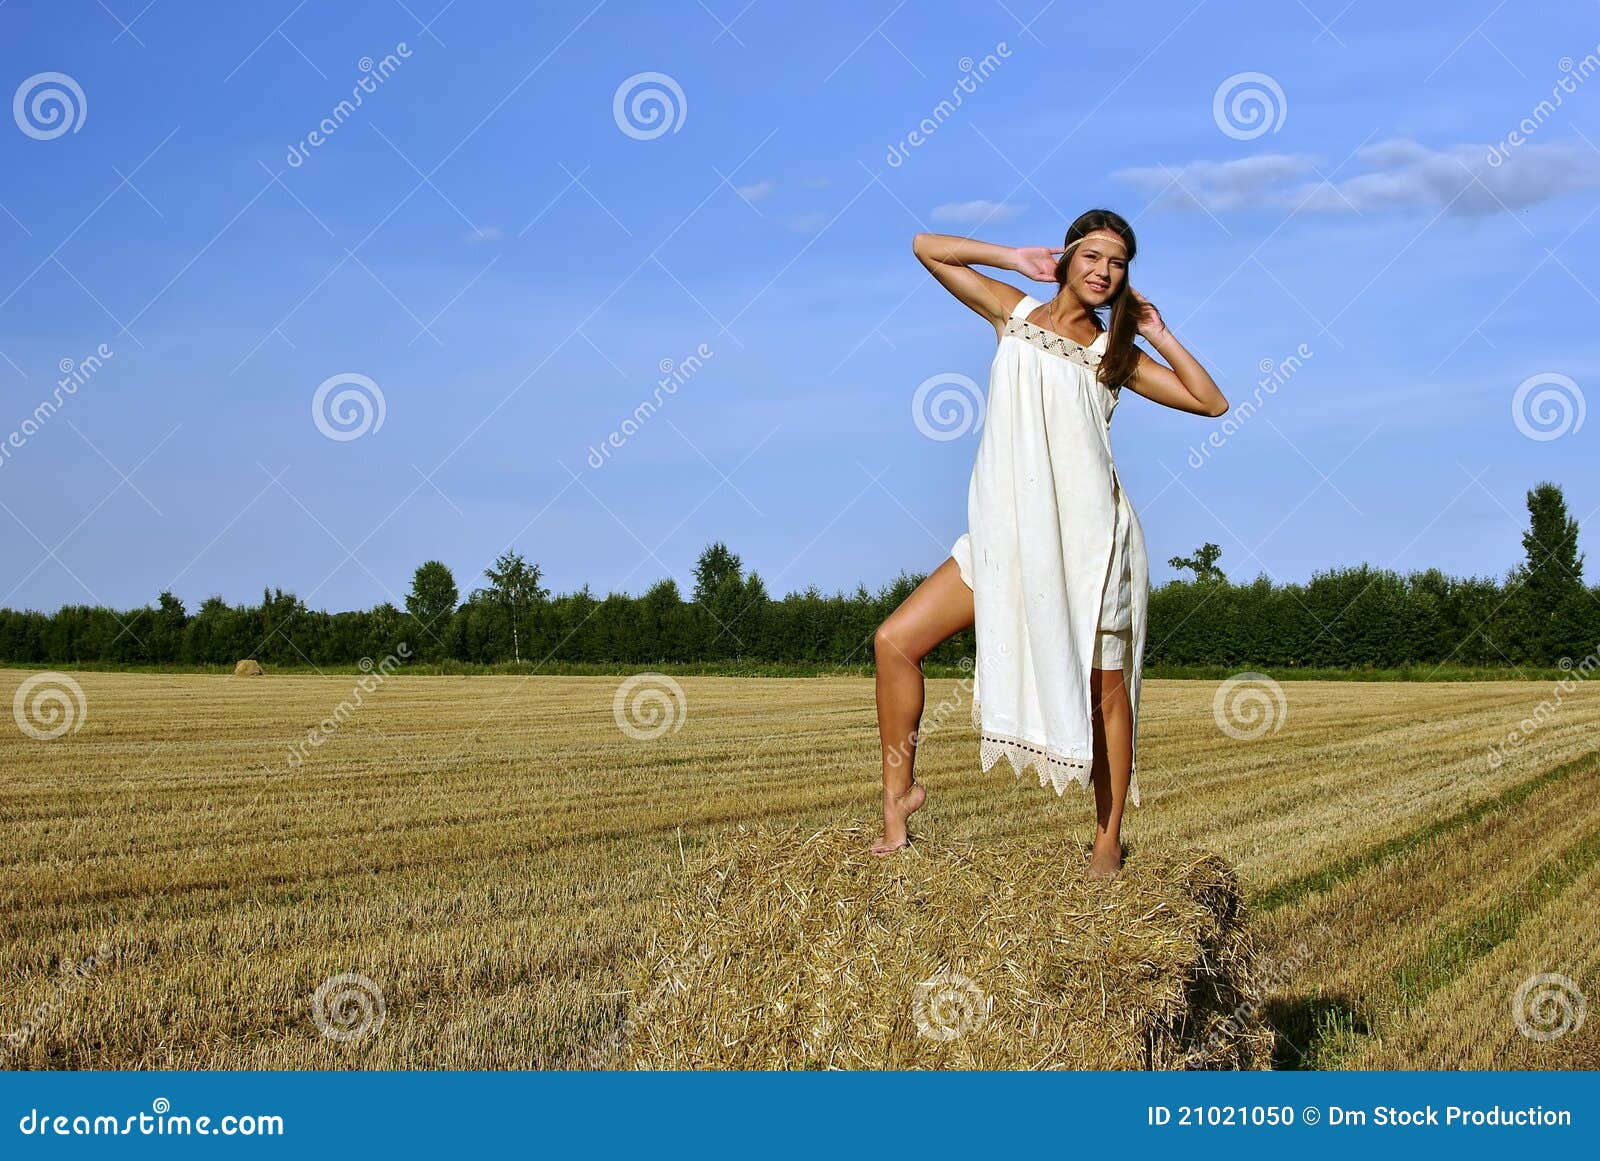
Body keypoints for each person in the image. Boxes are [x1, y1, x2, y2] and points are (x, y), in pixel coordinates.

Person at [870, 209, 1228, 879]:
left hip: (1091, 545)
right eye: (1092, 255)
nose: (1104, 270)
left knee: (1106, 693)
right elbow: (927, 247)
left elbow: (1210, 402)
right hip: (1006, 535)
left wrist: (1159, 331)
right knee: (894, 642)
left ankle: (1107, 839)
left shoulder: (1112, 355)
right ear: (1067, 259)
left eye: (1118, 263)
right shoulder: (1015, 312)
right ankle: (898, 802)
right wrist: (1012, 255)